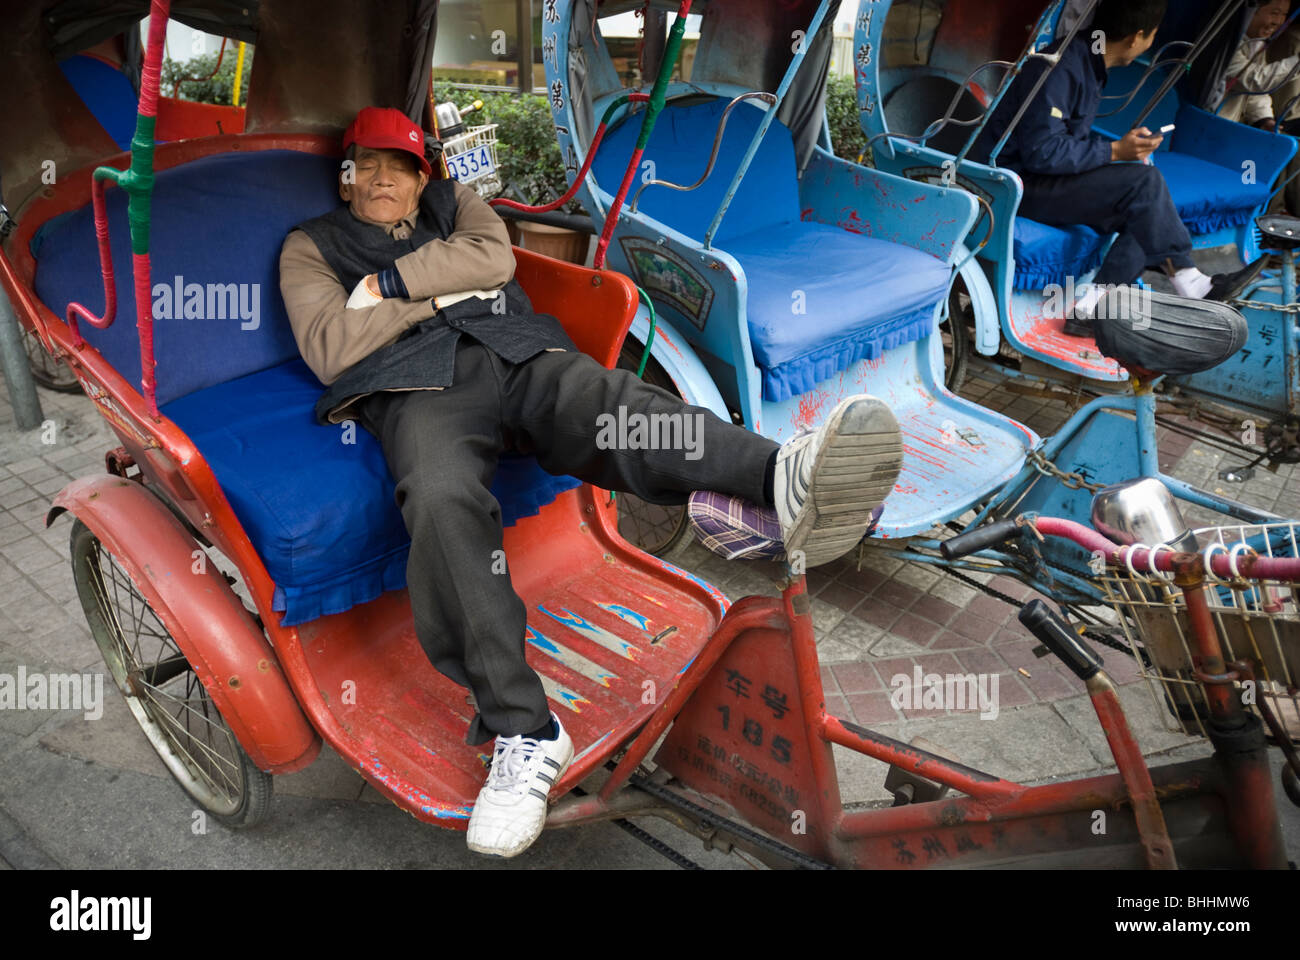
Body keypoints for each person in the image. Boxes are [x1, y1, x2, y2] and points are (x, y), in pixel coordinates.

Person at [278, 106, 904, 858]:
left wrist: (391, 290)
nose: (381, 178)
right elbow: (328, 346)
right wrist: (448, 293)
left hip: (518, 352)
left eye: (399, 166)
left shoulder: (458, 205)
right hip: (414, 391)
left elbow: (496, 263)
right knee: (440, 500)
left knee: (618, 408)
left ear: (423, 175)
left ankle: (779, 477)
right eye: (366, 166)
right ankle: (524, 733)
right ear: (345, 176)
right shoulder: (310, 245)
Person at [975, 0, 1266, 336]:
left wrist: (1123, 152)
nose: (1151, 42)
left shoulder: (1089, 62)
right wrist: (1114, 150)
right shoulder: (1061, 66)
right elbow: (1043, 153)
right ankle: (1191, 281)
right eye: (1152, 35)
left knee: (1146, 205)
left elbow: (1066, 144)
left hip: (1046, 178)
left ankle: (1092, 308)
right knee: (1144, 186)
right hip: (1013, 184)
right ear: (1135, 37)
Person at [1219, 0, 1300, 132]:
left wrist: (1263, 119)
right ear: (1251, 11)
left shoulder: (1257, 44)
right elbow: (1251, 80)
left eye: (1283, 14)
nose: (1278, 21)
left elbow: (1254, 94)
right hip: (1209, 121)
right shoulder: (1225, 41)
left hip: (1228, 126)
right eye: (1274, 13)